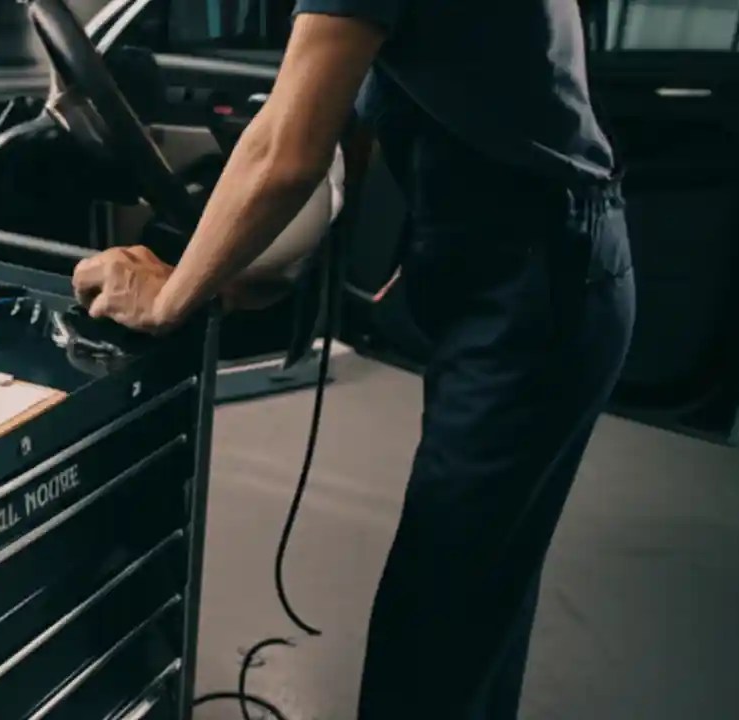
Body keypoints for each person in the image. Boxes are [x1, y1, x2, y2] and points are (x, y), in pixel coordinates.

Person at [71, 2, 636, 719]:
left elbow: (284, 148)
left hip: (536, 283)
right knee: (478, 594)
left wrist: (170, 297)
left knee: (439, 610)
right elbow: (359, 121)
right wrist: (251, 270)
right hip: (525, 263)